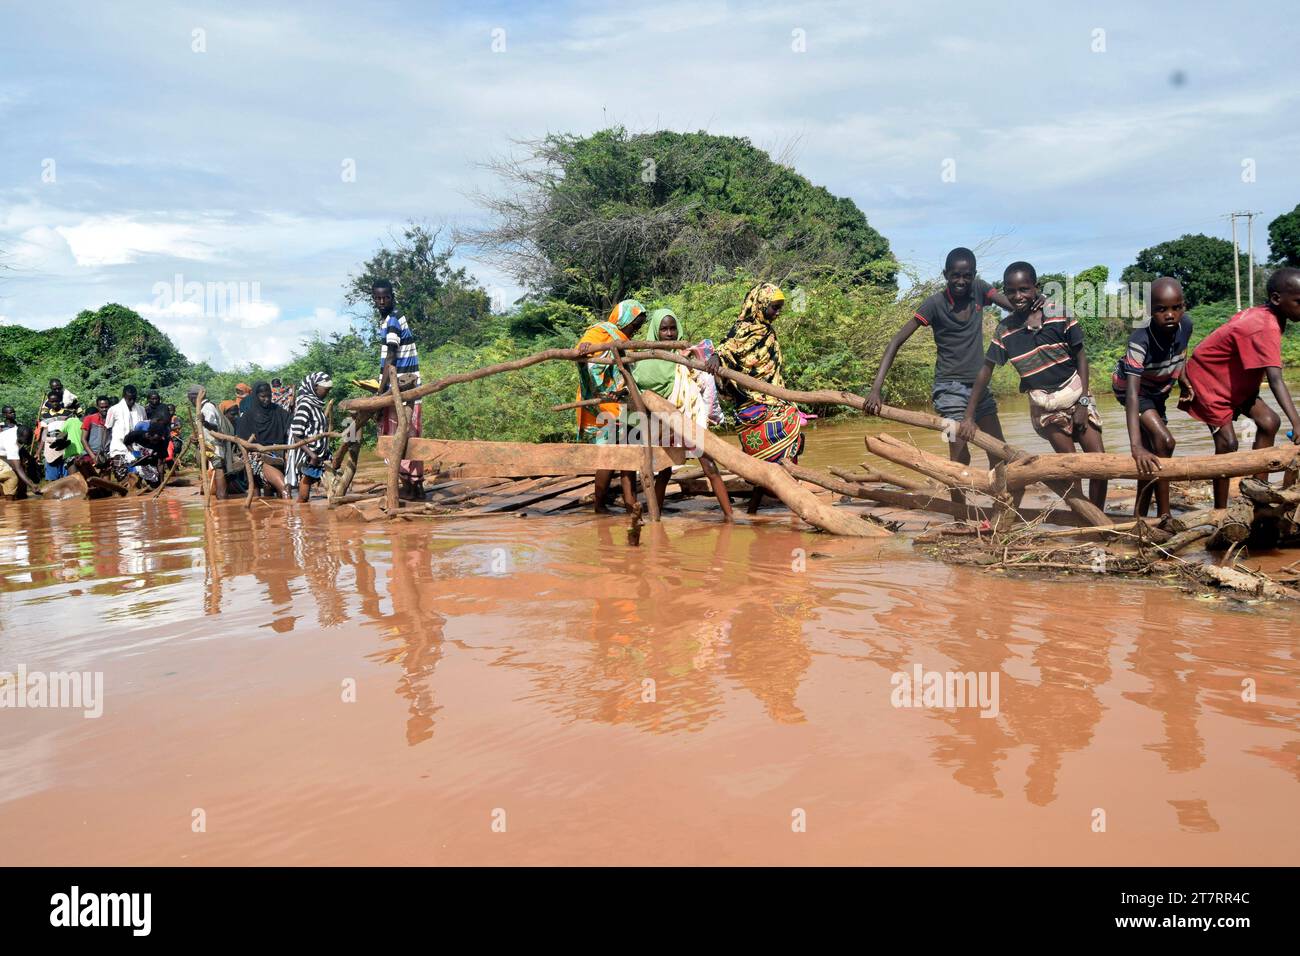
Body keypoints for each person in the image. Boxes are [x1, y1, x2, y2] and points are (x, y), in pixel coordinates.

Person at [866, 247, 1042, 507]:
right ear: (945, 274)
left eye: (967, 276)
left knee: (999, 452)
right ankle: (960, 511)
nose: (961, 281)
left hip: (979, 389)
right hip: (947, 392)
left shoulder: (981, 290)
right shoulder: (934, 304)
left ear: (974, 275)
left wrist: (1036, 300)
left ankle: (1000, 507)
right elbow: (896, 341)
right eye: (955, 276)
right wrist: (875, 389)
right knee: (958, 452)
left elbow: (1014, 307)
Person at [959, 261, 1108, 509]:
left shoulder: (1059, 314)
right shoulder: (1005, 331)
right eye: (1011, 291)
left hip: (1076, 394)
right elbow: (986, 371)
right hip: (1046, 406)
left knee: (1099, 463)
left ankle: (1099, 518)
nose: (1018, 296)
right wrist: (968, 415)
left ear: (1035, 288)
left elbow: (1081, 357)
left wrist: (1083, 403)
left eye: (1024, 289)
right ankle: (1085, 518)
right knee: (1070, 466)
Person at [1180, 267, 1300, 508]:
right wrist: (1297, 423)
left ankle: (1257, 493)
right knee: (1227, 444)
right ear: (1277, 299)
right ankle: (1220, 510)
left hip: (1233, 382)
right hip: (1208, 382)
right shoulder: (1265, 324)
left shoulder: (1270, 316)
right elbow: (1275, 379)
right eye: (1299, 301)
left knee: (1269, 422)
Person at [705, 282, 801, 514]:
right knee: (762, 465)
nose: (777, 313)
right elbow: (725, 350)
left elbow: (773, 370)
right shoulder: (740, 330)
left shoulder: (768, 332)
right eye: (774, 308)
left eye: (780, 308)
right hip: (750, 408)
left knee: (791, 448)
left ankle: (789, 507)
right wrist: (717, 357)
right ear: (760, 305)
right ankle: (784, 506)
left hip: (776, 402)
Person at [631, 308, 733, 520]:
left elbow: (706, 360)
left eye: (672, 328)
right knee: (665, 471)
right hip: (665, 421)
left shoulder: (684, 353)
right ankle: (654, 516)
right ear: (655, 331)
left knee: (709, 465)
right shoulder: (645, 360)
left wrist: (707, 357)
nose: (669, 333)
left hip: (688, 419)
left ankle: (730, 516)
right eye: (664, 329)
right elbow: (641, 387)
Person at [1112, 277, 1194, 517]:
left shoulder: (1186, 325)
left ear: (1183, 307)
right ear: (1149, 311)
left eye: (1175, 308)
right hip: (1134, 391)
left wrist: (1182, 377)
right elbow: (1132, 395)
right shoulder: (1140, 339)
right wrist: (1135, 446)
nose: (1170, 314)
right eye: (1161, 309)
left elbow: (1182, 350)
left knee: (1154, 452)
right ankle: (1164, 516)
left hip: (1159, 390)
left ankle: (1140, 515)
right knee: (1165, 442)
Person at [576, 298, 647, 513]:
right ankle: (599, 505)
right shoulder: (601, 331)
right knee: (609, 454)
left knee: (630, 451)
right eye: (634, 324)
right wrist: (584, 348)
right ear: (624, 318)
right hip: (602, 402)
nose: (636, 329)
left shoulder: (622, 339)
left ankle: (629, 502)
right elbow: (582, 351)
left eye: (639, 326)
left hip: (624, 398)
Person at [372, 278, 425, 500]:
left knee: (397, 437)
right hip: (408, 388)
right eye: (378, 298)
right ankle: (415, 486)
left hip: (401, 389)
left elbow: (391, 358)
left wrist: (380, 391)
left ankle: (409, 486)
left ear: (392, 297)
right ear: (373, 299)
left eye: (386, 297)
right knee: (410, 436)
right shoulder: (394, 318)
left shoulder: (393, 320)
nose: (382, 301)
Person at [235, 381, 291, 498]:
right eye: (263, 396)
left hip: (277, 452)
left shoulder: (278, 411)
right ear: (256, 396)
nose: (266, 399)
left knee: (275, 492)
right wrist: (258, 449)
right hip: (256, 454)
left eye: (269, 396)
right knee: (257, 490)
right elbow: (242, 440)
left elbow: (291, 423)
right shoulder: (248, 416)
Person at [285, 372, 334, 503]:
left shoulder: (316, 405)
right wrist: (311, 454)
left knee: (321, 481)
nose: (327, 393)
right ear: (315, 387)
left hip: (319, 453)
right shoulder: (305, 404)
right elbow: (296, 434)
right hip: (309, 453)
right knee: (305, 491)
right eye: (326, 390)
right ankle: (301, 515)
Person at [187, 384, 233, 499]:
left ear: (194, 397)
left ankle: (222, 498)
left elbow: (214, 427)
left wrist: (205, 423)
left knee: (218, 469)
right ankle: (220, 497)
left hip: (215, 445)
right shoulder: (203, 407)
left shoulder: (207, 407)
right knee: (215, 470)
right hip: (209, 445)